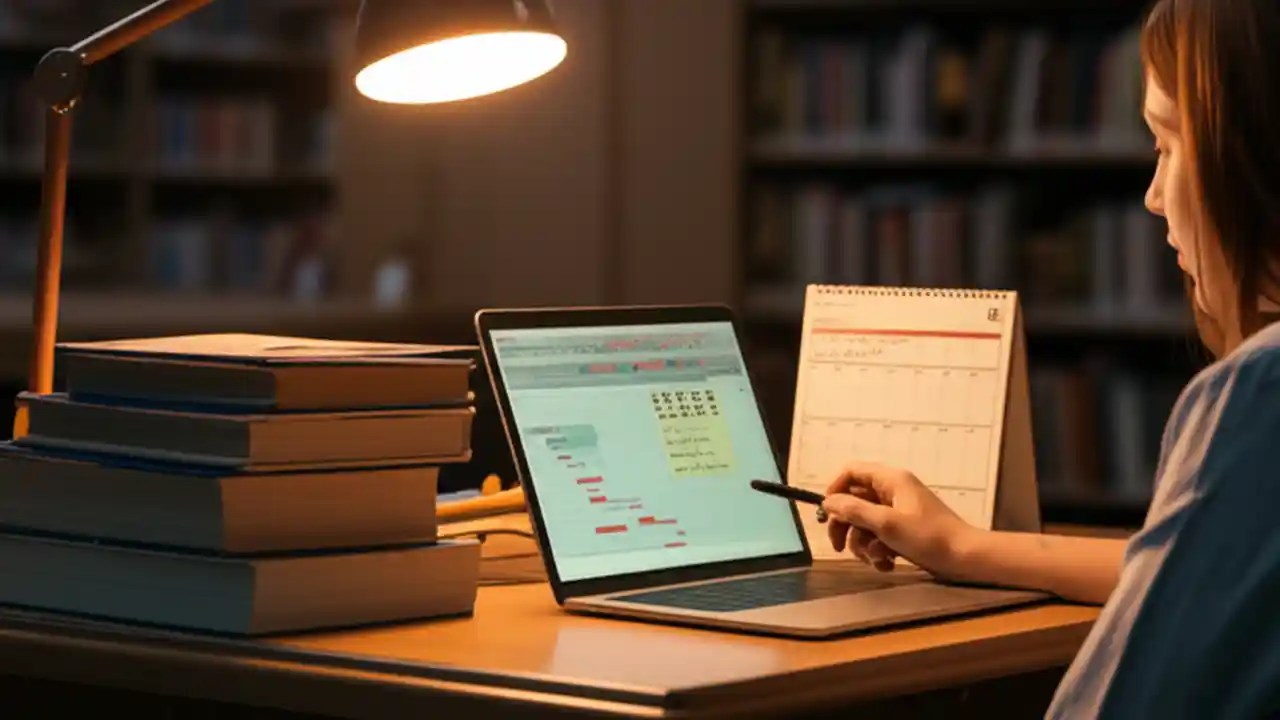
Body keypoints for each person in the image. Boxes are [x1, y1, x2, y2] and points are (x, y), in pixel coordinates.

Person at [817, 0, 1280, 717]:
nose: (1155, 199)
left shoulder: (1260, 393)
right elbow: (1193, 575)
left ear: (1252, 154)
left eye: (1167, 142)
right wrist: (962, 546)